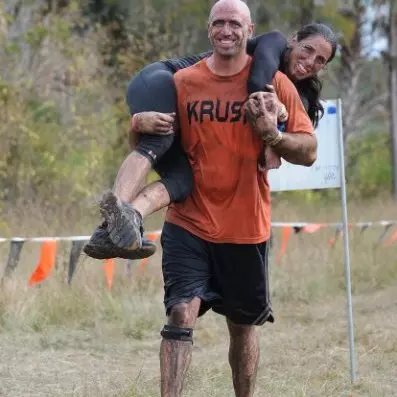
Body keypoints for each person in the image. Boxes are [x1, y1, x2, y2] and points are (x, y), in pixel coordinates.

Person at [149, 1, 333, 396]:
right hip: (188, 221)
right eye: (220, 22)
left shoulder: (275, 85)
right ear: (209, 28)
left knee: (243, 324)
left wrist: (273, 136)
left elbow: (309, 150)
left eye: (236, 23)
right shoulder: (183, 82)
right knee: (181, 311)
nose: (227, 30)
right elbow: (156, 143)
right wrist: (137, 125)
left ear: (249, 30)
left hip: (245, 226)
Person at [83, 19, 336, 261]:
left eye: (320, 60)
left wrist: (276, 134)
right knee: (159, 139)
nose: (310, 61)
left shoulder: (290, 89)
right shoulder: (275, 42)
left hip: (182, 111)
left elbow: (303, 148)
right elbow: (257, 83)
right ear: (294, 40)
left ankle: (121, 226)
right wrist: (273, 135)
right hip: (163, 79)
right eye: (308, 49)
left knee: (182, 182)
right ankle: (111, 220)